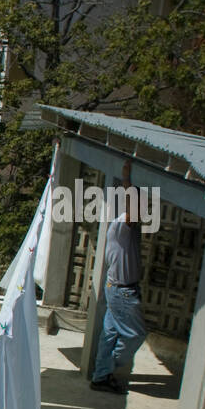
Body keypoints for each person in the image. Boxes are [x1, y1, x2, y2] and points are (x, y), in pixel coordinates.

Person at [91, 159, 146, 394]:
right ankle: (110, 366)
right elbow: (133, 210)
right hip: (123, 291)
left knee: (110, 333)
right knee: (135, 335)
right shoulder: (123, 225)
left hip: (115, 288)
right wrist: (127, 181)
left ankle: (100, 378)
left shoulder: (121, 228)